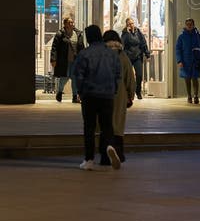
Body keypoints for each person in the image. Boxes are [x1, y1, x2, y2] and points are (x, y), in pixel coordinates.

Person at [73, 25, 121, 171]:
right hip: (107, 95)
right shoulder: (112, 54)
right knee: (107, 125)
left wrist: (80, 91)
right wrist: (114, 89)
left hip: (90, 94)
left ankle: (89, 159)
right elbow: (118, 74)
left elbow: (78, 74)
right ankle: (110, 145)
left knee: (89, 127)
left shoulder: (85, 53)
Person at [101, 30, 136, 169]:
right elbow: (130, 78)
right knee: (118, 124)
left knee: (104, 123)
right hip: (120, 94)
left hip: (102, 93)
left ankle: (105, 155)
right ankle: (119, 153)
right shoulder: (123, 56)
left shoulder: (101, 55)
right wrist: (130, 95)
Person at [50, 16, 84, 102]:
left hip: (75, 61)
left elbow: (81, 47)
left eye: (72, 22)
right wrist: (53, 59)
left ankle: (75, 96)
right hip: (64, 61)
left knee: (75, 78)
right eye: (69, 22)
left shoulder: (78, 34)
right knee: (64, 77)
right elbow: (54, 47)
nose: (72, 24)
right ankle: (60, 93)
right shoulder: (60, 34)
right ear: (65, 24)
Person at [175, 18, 200, 104]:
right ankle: (189, 96)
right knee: (187, 79)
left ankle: (196, 96)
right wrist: (179, 61)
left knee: (195, 78)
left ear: (193, 25)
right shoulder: (181, 37)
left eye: (190, 24)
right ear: (185, 25)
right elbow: (178, 49)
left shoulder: (198, 36)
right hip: (185, 61)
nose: (189, 25)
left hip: (196, 60)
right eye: (187, 24)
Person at [121, 17, 150, 100]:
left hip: (137, 56)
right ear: (127, 25)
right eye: (129, 24)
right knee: (128, 76)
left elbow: (143, 43)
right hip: (128, 57)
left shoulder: (138, 32)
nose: (131, 25)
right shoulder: (124, 33)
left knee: (139, 75)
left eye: (132, 23)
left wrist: (147, 54)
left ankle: (138, 91)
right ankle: (128, 92)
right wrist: (126, 33)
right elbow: (122, 43)